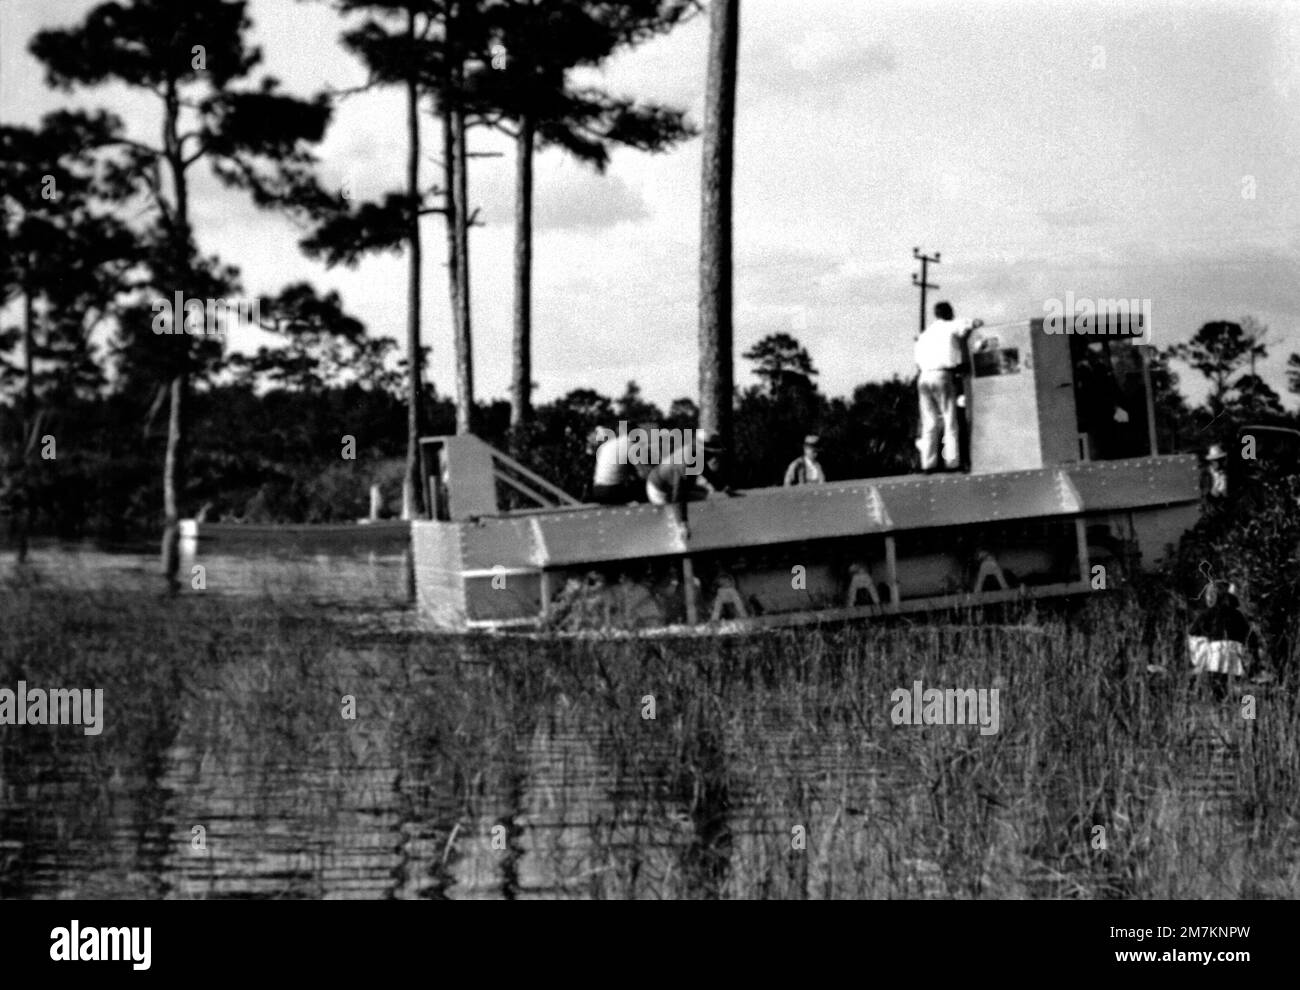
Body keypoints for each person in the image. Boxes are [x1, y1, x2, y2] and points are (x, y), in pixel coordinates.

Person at [914, 301, 983, 473]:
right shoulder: (952, 325)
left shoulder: (925, 334)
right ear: (949, 313)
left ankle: (928, 464)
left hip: (923, 377)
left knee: (929, 421)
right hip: (942, 375)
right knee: (949, 418)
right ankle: (952, 462)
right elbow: (974, 323)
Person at [646, 433, 729, 537]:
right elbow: (678, 497)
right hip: (658, 491)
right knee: (681, 513)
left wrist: (724, 488)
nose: (713, 458)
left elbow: (708, 474)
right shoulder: (685, 464)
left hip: (670, 484)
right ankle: (679, 536)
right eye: (711, 454)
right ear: (704, 451)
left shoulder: (696, 454)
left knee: (705, 494)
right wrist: (683, 523)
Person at [1187, 582, 1257, 700]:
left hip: (1215, 658)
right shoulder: (1239, 616)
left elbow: (1193, 633)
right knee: (1246, 693)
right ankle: (1248, 716)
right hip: (1236, 658)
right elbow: (1252, 639)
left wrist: (1201, 654)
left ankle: (1218, 715)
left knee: (1216, 689)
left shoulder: (1207, 613)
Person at [1073, 341, 1129, 460]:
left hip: (1104, 410)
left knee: (1107, 438)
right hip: (1089, 412)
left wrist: (1117, 406)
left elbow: (1110, 388)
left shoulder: (1101, 369)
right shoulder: (1080, 370)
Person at [588, 425, 644, 505]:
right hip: (612, 491)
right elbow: (642, 474)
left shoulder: (609, 443)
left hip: (597, 491)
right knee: (643, 486)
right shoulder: (631, 445)